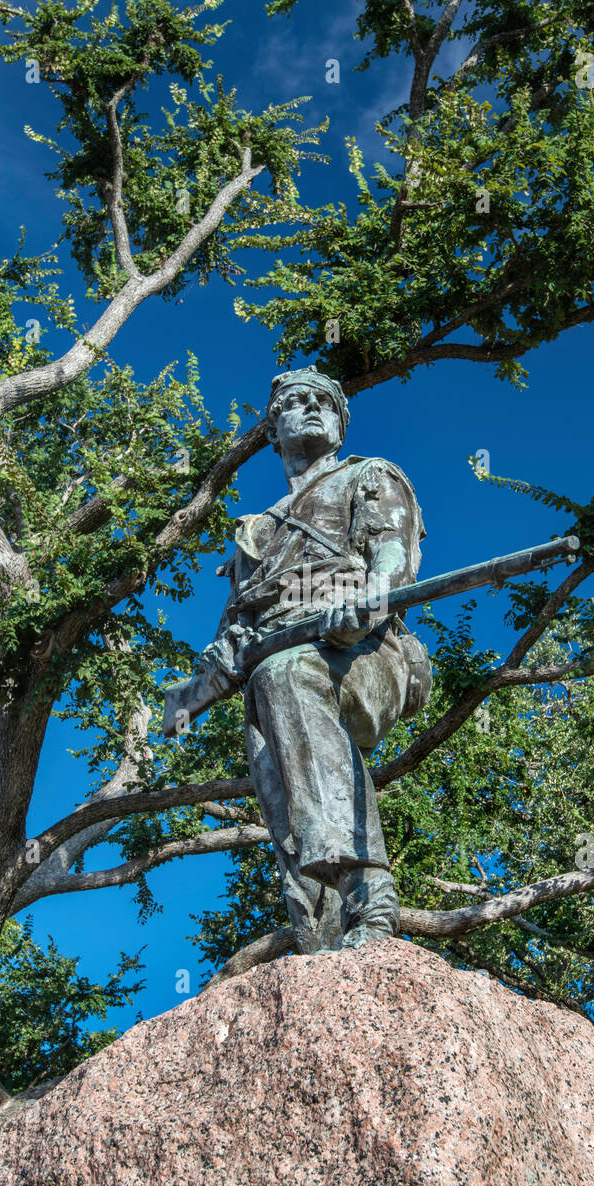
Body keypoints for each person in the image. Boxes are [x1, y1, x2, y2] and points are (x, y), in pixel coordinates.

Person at [183, 366, 432, 952]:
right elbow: (231, 634)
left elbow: (393, 562)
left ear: (341, 426)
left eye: (326, 402)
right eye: (297, 401)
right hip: (271, 673)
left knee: (287, 673)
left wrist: (366, 604)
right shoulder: (254, 533)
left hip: (362, 653)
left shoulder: (368, 477)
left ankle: (371, 895)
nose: (313, 407)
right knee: (275, 764)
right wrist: (195, 689)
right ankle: (321, 938)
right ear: (272, 430)